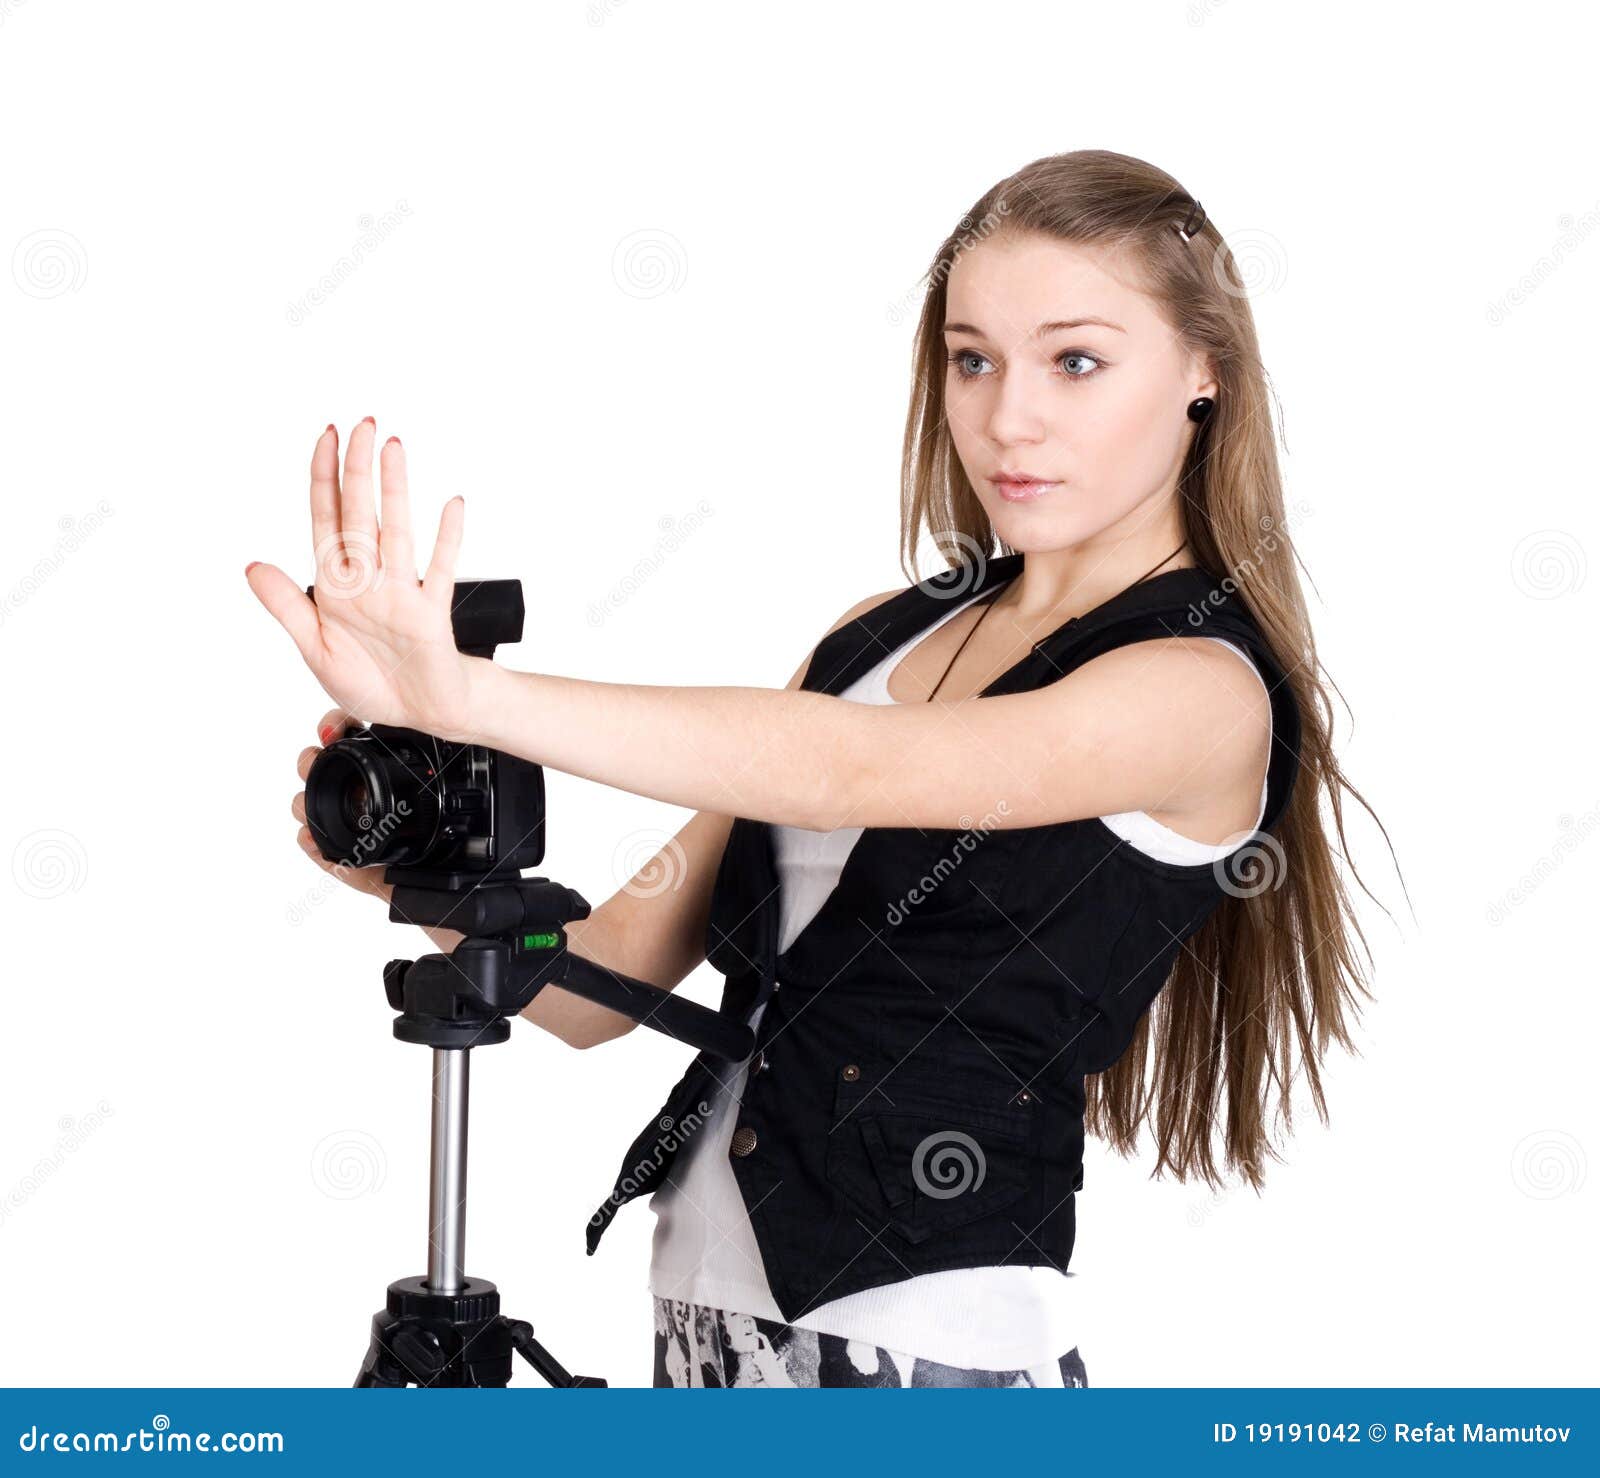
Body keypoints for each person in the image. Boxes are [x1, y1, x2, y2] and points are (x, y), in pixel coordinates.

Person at [252, 148, 1379, 1389]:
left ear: (1203, 371)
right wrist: (409, 858)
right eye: (971, 358)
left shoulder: (1197, 689)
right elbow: (605, 980)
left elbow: (841, 771)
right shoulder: (874, 635)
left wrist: (472, 695)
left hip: (933, 1356)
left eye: (1075, 360)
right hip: (698, 1325)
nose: (1008, 415)